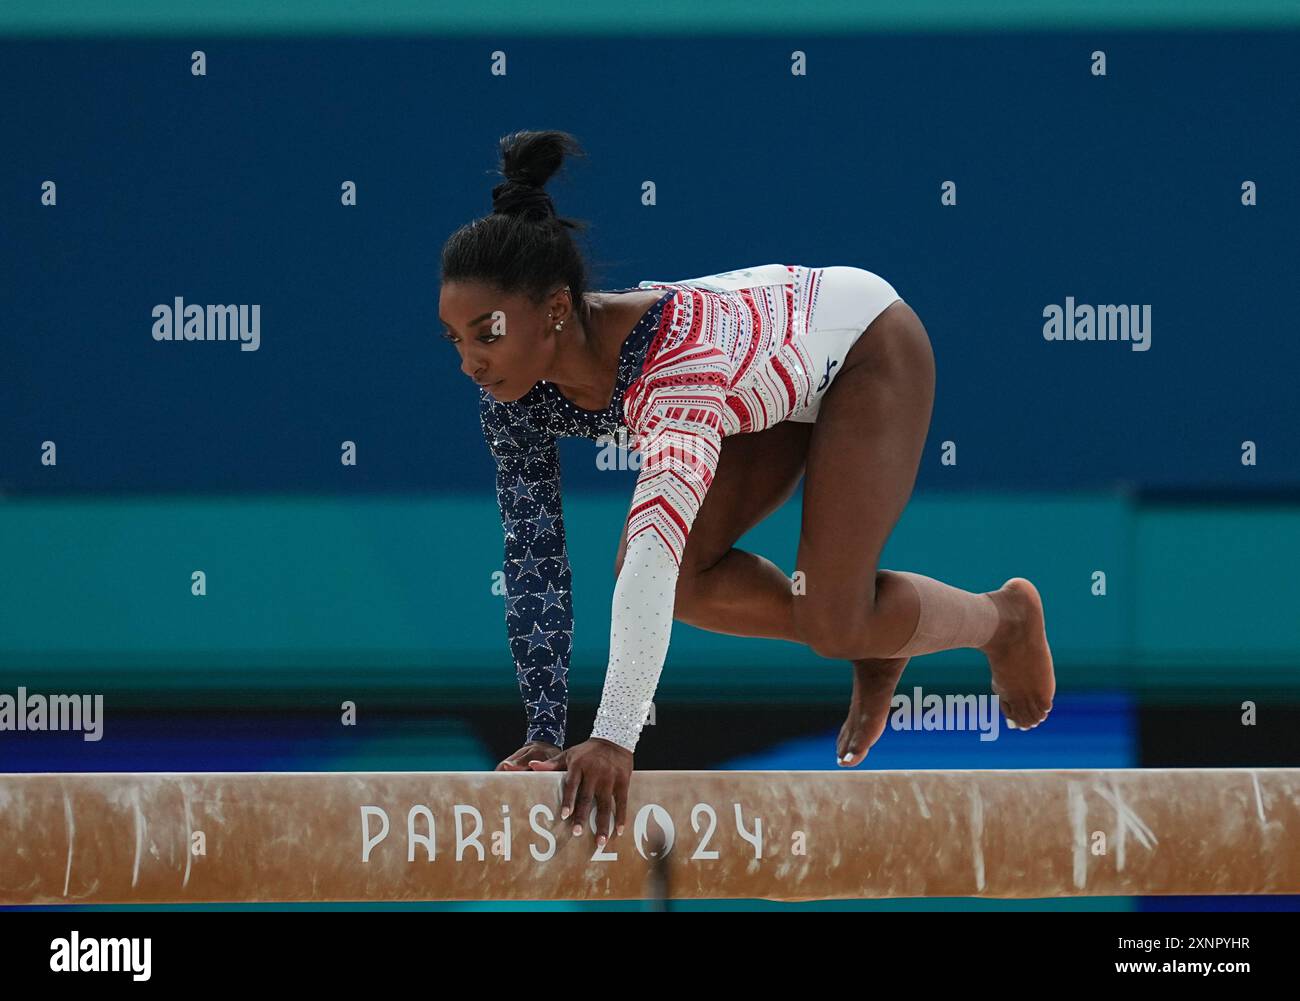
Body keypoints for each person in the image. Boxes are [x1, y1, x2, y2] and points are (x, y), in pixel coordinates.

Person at [438, 130, 1055, 849]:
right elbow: (535, 564)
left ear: (551, 311)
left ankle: (1001, 617)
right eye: (454, 340)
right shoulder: (514, 400)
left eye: (486, 335)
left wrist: (614, 733)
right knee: (816, 614)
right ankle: (873, 630)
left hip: (863, 348)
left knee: (819, 615)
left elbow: (652, 552)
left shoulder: (675, 367)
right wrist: (545, 733)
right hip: (759, 389)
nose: (470, 364)